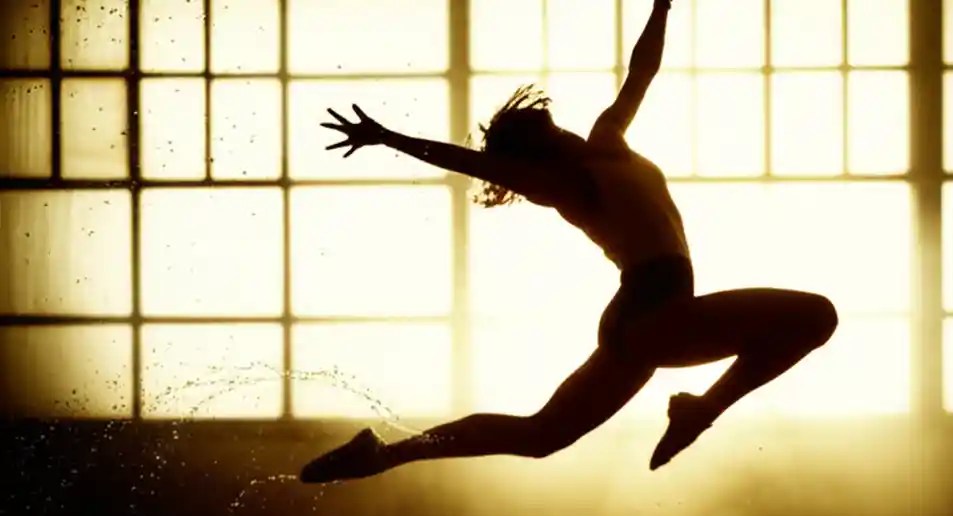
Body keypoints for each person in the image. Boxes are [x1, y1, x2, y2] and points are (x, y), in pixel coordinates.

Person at [300, 0, 836, 483]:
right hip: (650, 311)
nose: (567, 131)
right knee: (814, 316)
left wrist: (663, 7)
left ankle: (386, 454)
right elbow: (470, 161)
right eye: (554, 132)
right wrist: (388, 137)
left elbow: (641, 72)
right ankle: (702, 411)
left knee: (541, 436)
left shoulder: (607, 141)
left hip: (646, 319)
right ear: (544, 149)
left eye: (558, 124)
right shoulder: (563, 184)